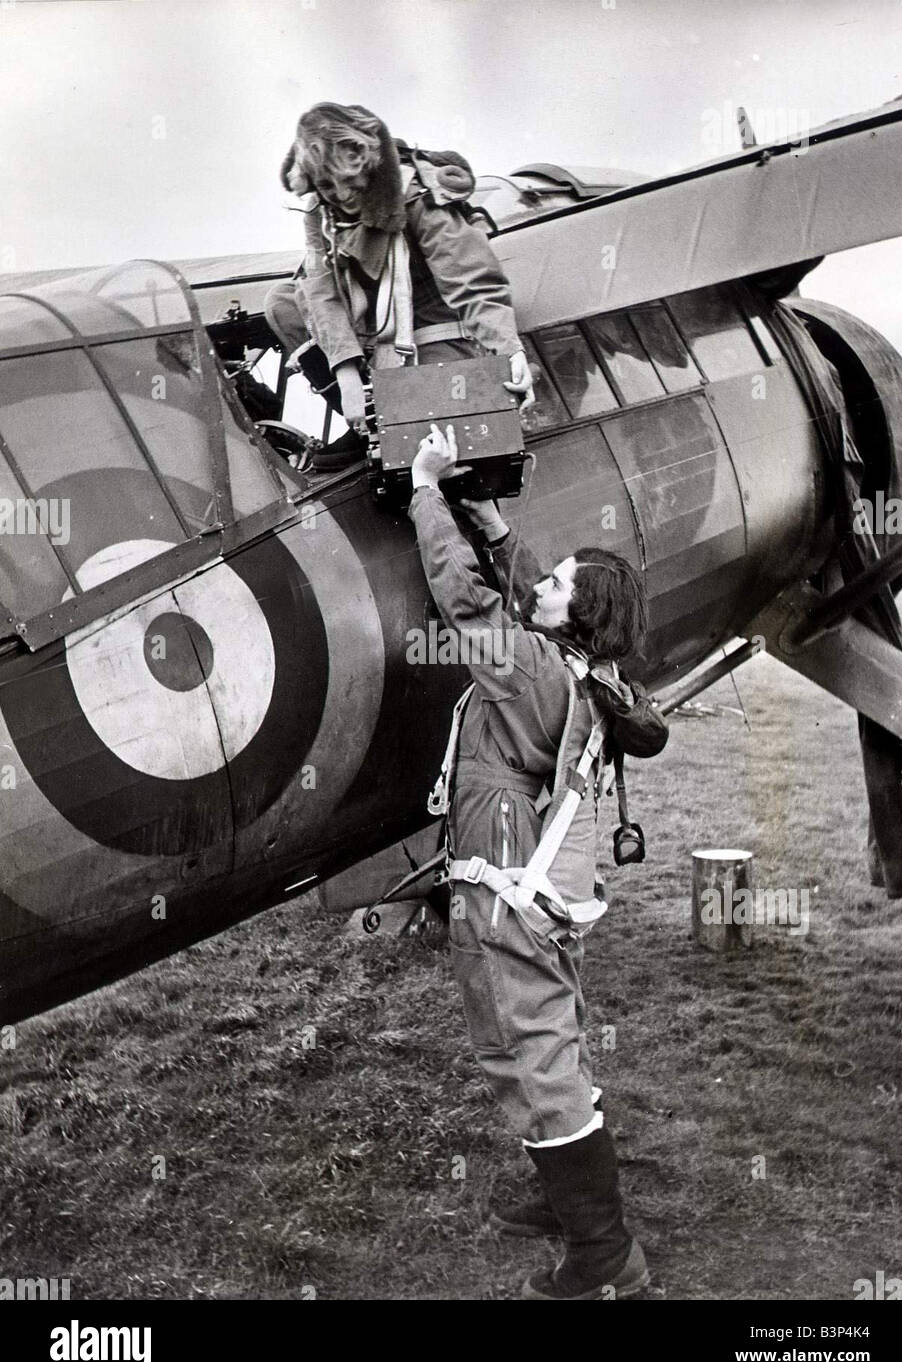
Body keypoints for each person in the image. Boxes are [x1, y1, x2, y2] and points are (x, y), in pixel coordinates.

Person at [407, 422, 668, 1301]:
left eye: (558, 583)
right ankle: (569, 1200)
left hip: (506, 891)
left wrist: (423, 492)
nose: (542, 582)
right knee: (538, 1042)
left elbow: (470, 603)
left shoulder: (526, 667)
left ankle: (605, 1256)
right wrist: (483, 517)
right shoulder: (578, 669)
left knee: (531, 1055)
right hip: (543, 888)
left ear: (575, 614)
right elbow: (528, 593)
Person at [264, 102, 534, 468]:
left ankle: (397, 427)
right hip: (369, 321)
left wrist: (509, 350)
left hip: (431, 318)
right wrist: (347, 381)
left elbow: (472, 282)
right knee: (283, 302)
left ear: (368, 164)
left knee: (435, 443)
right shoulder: (319, 209)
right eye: (327, 185)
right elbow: (320, 291)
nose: (341, 196)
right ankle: (364, 423)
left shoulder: (420, 197)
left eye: (349, 182)